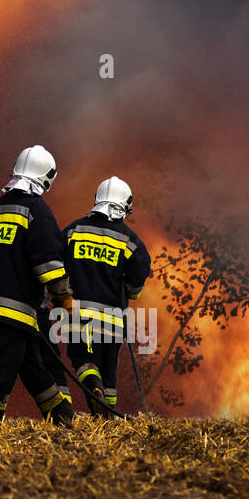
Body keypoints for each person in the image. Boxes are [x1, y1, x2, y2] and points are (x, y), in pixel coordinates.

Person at [0, 145, 75, 425]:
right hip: (20, 308)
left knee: (32, 365)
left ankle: (60, 416)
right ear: (46, 177)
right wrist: (64, 299)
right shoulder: (37, 211)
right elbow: (50, 264)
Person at [62, 176, 151, 414]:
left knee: (82, 359)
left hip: (76, 313)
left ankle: (93, 386)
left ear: (97, 200)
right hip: (113, 318)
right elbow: (136, 280)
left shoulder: (73, 231)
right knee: (108, 366)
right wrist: (131, 290)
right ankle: (107, 416)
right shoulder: (130, 241)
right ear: (124, 206)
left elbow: (54, 263)